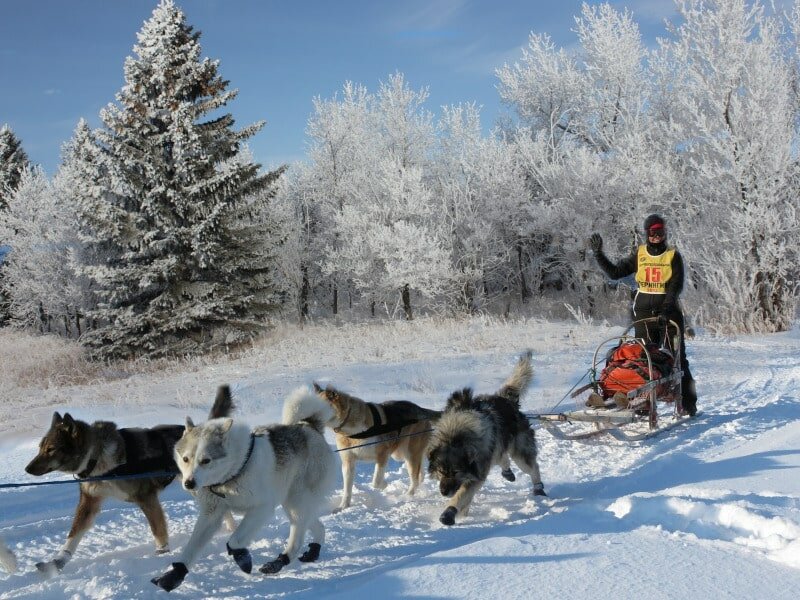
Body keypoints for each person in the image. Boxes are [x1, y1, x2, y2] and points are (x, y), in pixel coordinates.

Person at [588, 213, 697, 416]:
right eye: (652, 233)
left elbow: (675, 287)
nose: (656, 236)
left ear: (665, 233)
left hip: (669, 313)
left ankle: (688, 403)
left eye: (660, 232)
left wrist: (666, 309)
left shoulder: (673, 256)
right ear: (646, 234)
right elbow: (614, 273)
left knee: (677, 359)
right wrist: (598, 254)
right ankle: (644, 402)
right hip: (643, 313)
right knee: (643, 358)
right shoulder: (640, 254)